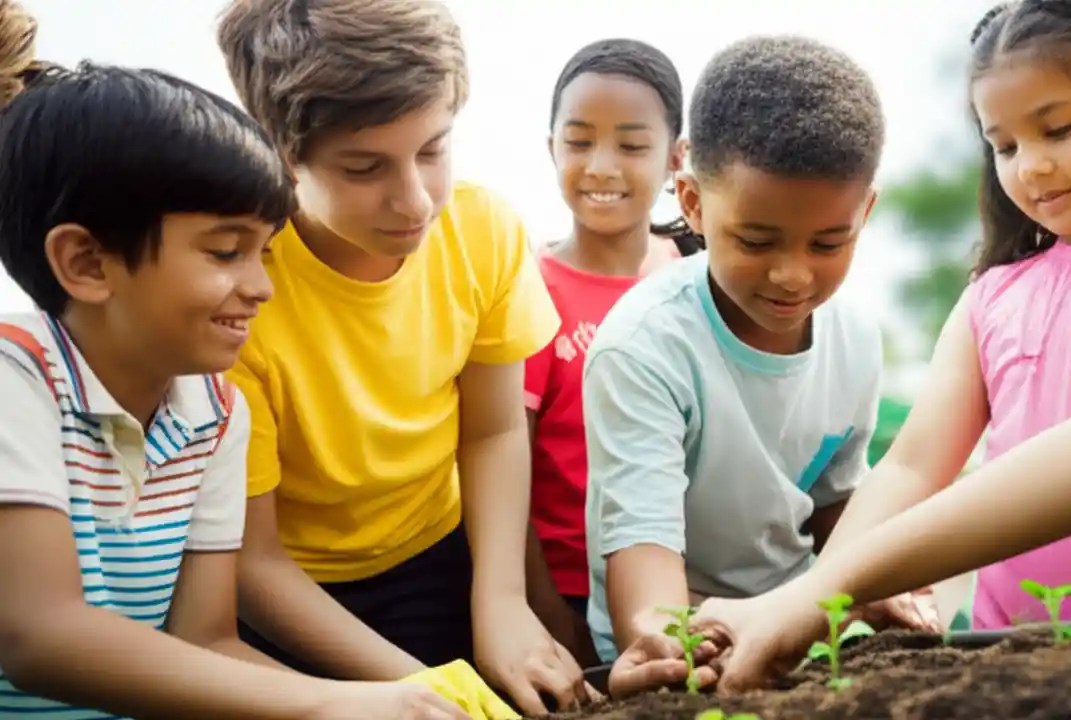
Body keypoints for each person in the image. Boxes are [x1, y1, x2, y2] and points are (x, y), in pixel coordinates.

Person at [692, 0, 1071, 689]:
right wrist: (817, 597)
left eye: (1059, 129)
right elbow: (913, 465)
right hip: (1011, 654)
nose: (1030, 167)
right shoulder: (991, 298)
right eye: (1003, 146)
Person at [0, 3, 468, 718]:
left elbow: (210, 642)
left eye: (265, 251)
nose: (261, 287)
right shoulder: (17, 380)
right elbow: (39, 633)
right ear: (87, 262)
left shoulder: (215, 416)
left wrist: (393, 700)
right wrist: (327, 708)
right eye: (226, 253)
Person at [216, 0, 590, 714]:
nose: (415, 200)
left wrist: (504, 604)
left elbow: (494, 429)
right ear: (281, 152)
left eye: (432, 150)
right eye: (364, 168)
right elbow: (251, 559)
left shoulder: (481, 229)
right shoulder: (242, 295)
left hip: (439, 557)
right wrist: (419, 688)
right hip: (290, 596)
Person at [584, 35, 938, 699]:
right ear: (691, 202)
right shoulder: (643, 347)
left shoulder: (854, 334)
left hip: (795, 625)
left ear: (865, 212)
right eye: (756, 240)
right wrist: (668, 637)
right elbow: (643, 552)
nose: (793, 275)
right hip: (681, 640)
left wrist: (874, 585)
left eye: (829, 242)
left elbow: (835, 502)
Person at [525, 37, 699, 667]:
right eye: (578, 141)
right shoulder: (526, 291)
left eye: (631, 145)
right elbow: (504, 474)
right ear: (551, 149)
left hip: (679, 583)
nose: (601, 165)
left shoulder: (695, 278)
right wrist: (548, 620)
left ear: (677, 158)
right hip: (564, 594)